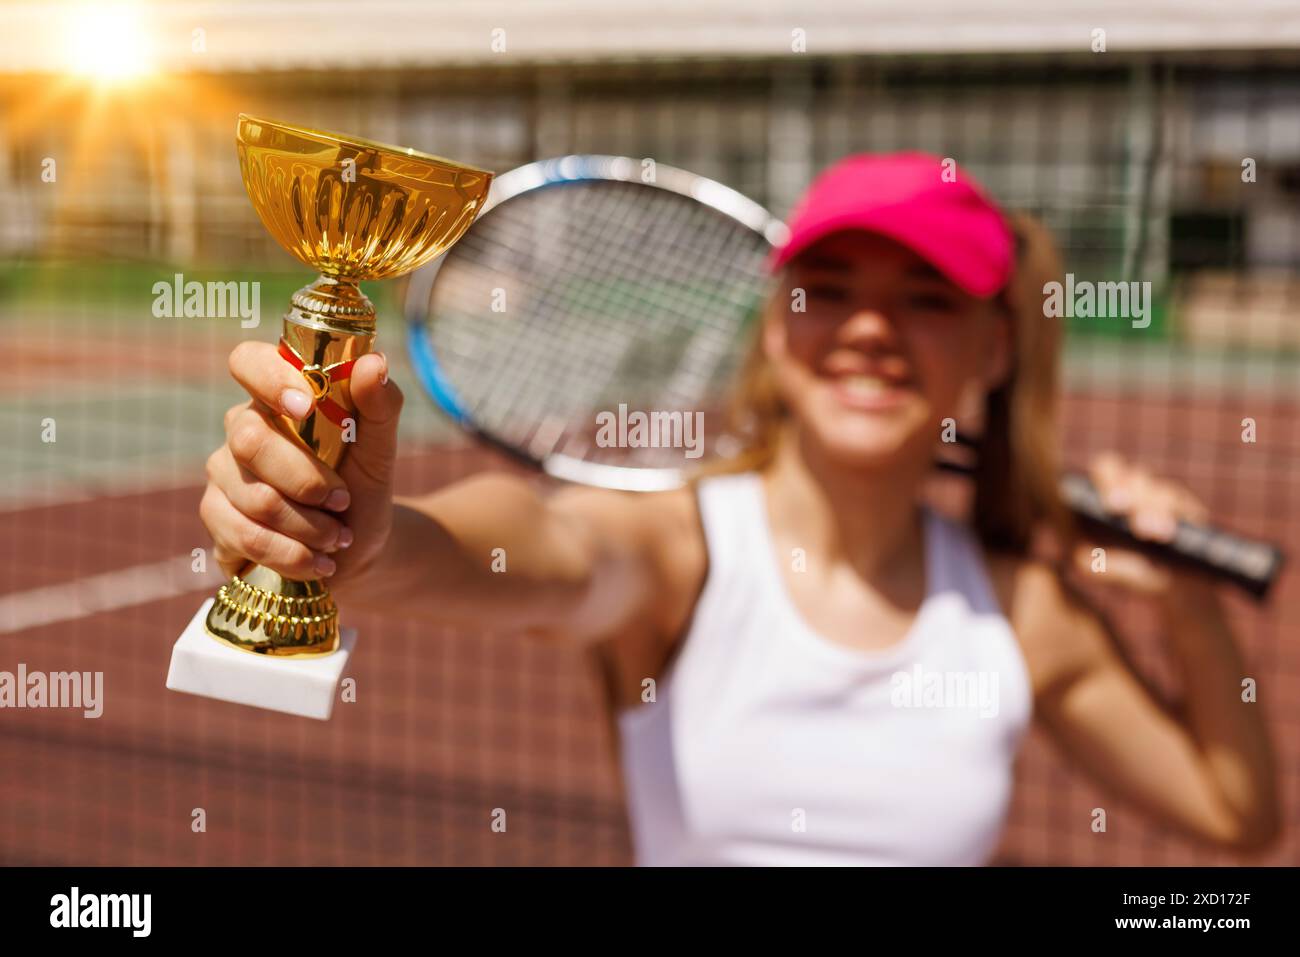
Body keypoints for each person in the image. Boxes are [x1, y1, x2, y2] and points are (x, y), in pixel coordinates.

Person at [200, 152, 1280, 865]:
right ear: (776, 329)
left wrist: (1189, 603)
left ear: (991, 349)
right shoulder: (682, 550)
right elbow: (541, 541)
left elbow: (1234, 818)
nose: (867, 328)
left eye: (923, 298)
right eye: (830, 290)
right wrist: (368, 542)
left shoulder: (1022, 611)